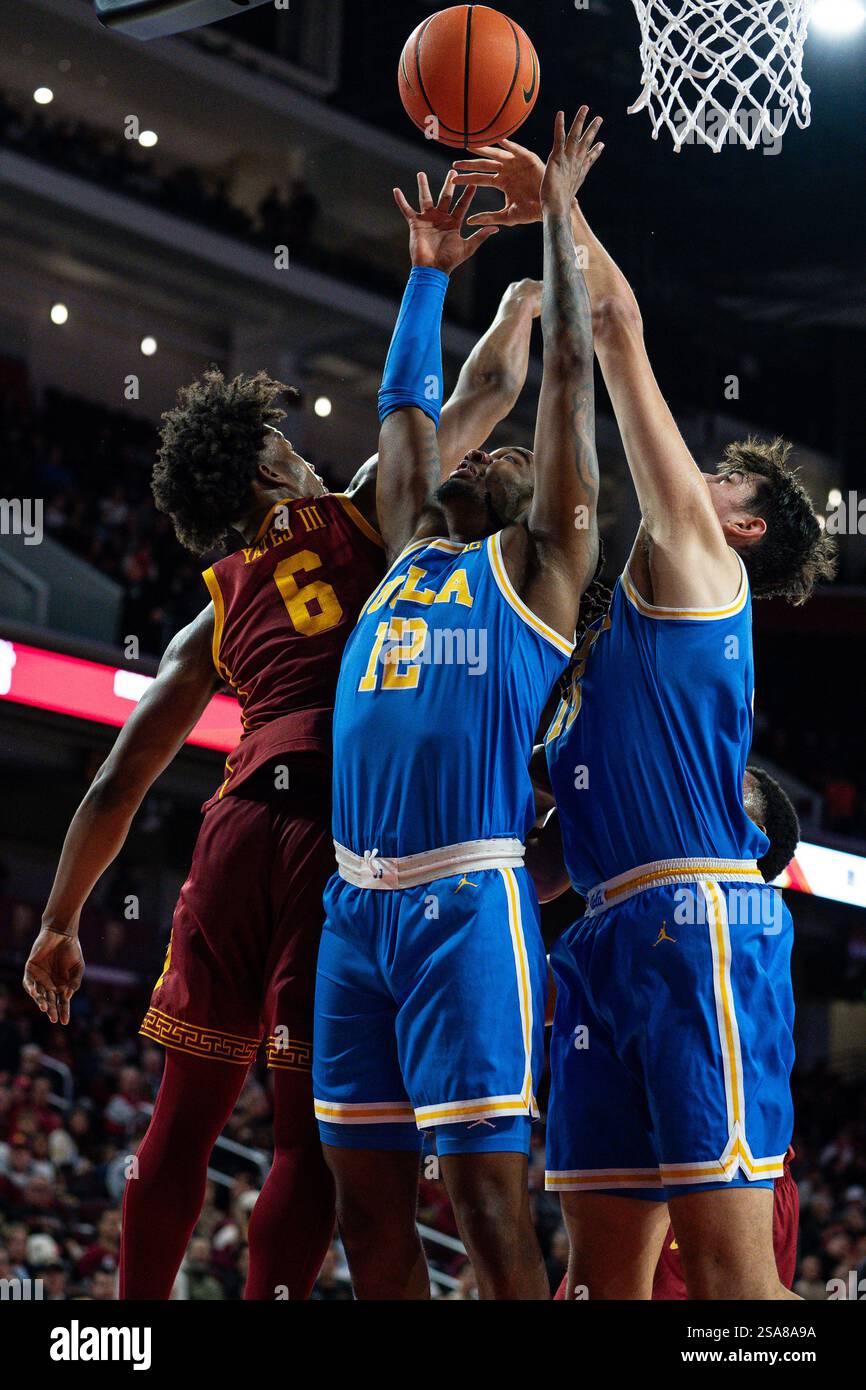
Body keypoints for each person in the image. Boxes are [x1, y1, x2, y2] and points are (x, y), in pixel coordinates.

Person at [21, 204, 541, 1301]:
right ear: (270, 462)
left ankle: (130, 1325)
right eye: (285, 437)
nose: (298, 442)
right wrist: (521, 299)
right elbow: (484, 395)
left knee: (183, 1117)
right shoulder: (359, 507)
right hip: (341, 837)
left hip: (238, 824)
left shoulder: (208, 612)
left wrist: (63, 919)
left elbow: (120, 780)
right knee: (309, 1137)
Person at [454, 133, 835, 1300]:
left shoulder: (698, 563)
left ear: (751, 526)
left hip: (693, 924)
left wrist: (561, 208)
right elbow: (558, 856)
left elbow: (616, 336)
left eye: (724, 473)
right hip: (603, 942)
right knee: (598, 1284)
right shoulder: (607, 643)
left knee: (730, 1281)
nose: (699, 474)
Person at [312, 109, 603, 1300]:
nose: (485, 459)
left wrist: (561, 233)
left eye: (510, 462)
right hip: (351, 906)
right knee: (363, 1210)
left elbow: (568, 386)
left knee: (486, 1205)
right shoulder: (403, 549)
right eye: (477, 459)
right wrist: (426, 282)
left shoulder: (535, 578)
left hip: (463, 902)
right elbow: (403, 416)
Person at [531, 768, 803, 1300]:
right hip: (643, 1168)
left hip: (724, 1186)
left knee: (735, 1301)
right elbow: (540, 995)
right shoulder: (618, 914)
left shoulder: (730, 924)